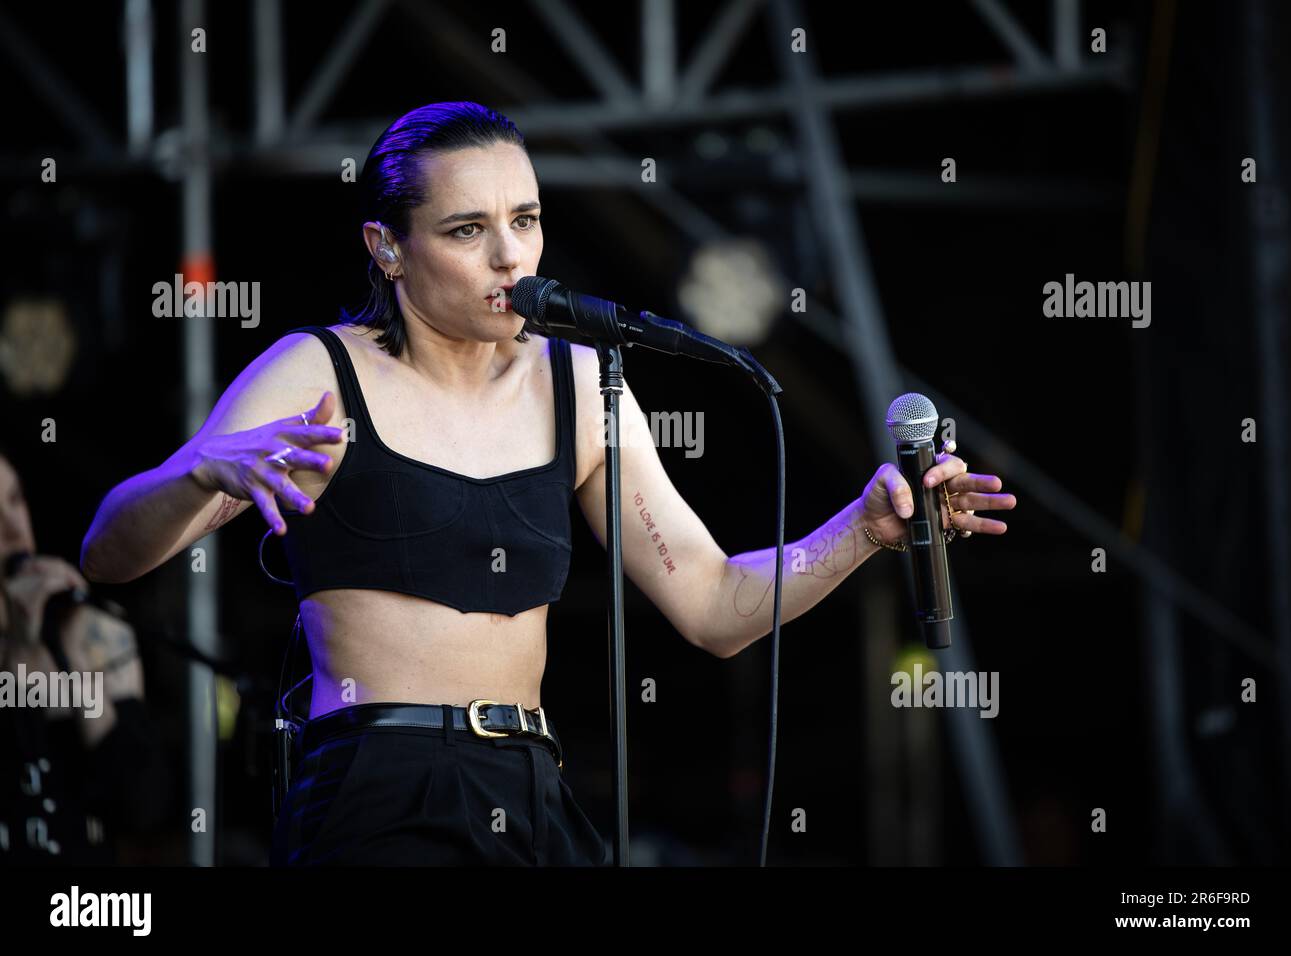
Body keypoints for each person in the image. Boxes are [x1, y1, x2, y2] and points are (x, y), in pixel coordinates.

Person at [79, 101, 1017, 866]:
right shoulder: (321, 371)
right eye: (467, 229)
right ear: (387, 247)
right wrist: (199, 471)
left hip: (533, 783)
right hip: (378, 785)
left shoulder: (577, 383)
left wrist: (860, 529)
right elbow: (109, 553)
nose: (509, 259)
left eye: (524, 221)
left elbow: (714, 604)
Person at [0, 445, 170, 863]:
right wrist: (22, 649)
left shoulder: (92, 631)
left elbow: (142, 806)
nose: (12, 527)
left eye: (15, 500)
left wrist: (71, 654)